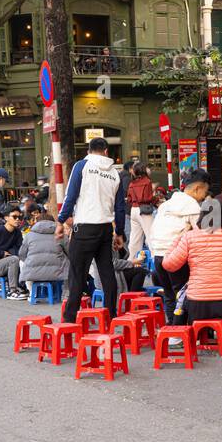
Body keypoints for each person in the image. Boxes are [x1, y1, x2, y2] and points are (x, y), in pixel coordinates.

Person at [57, 137, 127, 323]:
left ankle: (70, 319)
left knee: (77, 273)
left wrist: (61, 220)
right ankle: (110, 316)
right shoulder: (115, 173)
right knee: (107, 272)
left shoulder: (82, 166)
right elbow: (120, 207)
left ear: (89, 150)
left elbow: (70, 196)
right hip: (105, 229)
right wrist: (119, 232)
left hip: (85, 229)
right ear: (105, 151)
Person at [161, 221, 222, 347]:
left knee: (184, 298)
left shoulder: (189, 237)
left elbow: (168, 265)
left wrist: (177, 240)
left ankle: (200, 336)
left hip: (197, 307)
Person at [149, 170, 211, 316]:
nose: (204, 197)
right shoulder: (193, 207)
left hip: (158, 256)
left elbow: (152, 232)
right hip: (176, 258)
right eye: (205, 192)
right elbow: (201, 235)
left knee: (170, 296)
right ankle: (187, 331)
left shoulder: (165, 205)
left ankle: (173, 331)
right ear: (198, 188)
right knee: (184, 296)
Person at [126, 161, 157, 259]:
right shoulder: (147, 181)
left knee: (135, 239)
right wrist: (156, 198)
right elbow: (147, 198)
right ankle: (154, 260)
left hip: (133, 210)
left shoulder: (132, 183)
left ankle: (132, 261)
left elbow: (129, 199)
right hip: (144, 211)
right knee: (151, 236)